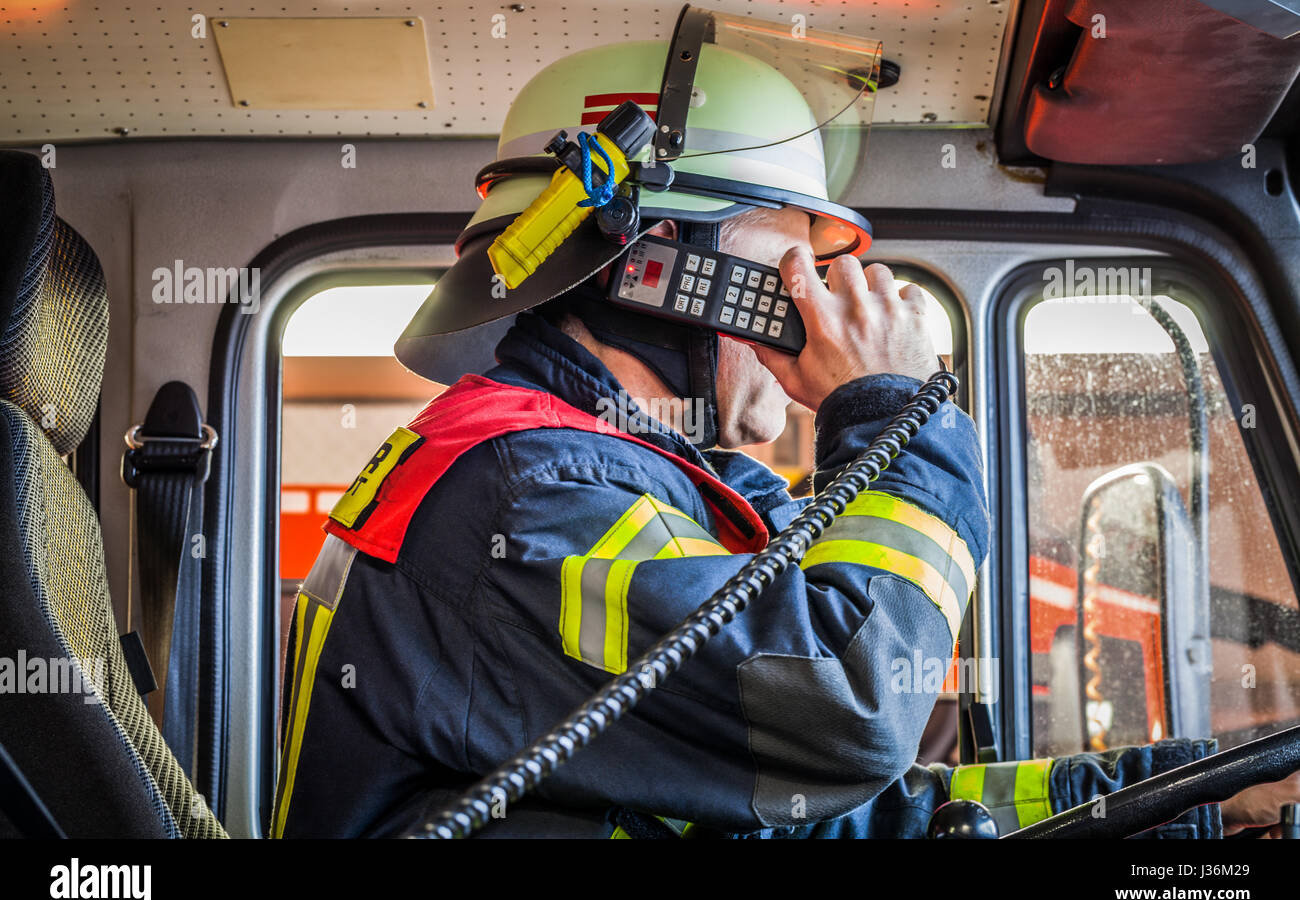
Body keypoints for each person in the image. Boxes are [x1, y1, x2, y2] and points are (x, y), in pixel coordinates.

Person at [270, 14, 1298, 839]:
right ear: (663, 267)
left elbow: (845, 812)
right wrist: (895, 410)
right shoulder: (528, 497)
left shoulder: (645, 482)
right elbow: (848, 710)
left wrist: (1195, 799)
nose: (836, 294)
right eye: (797, 258)